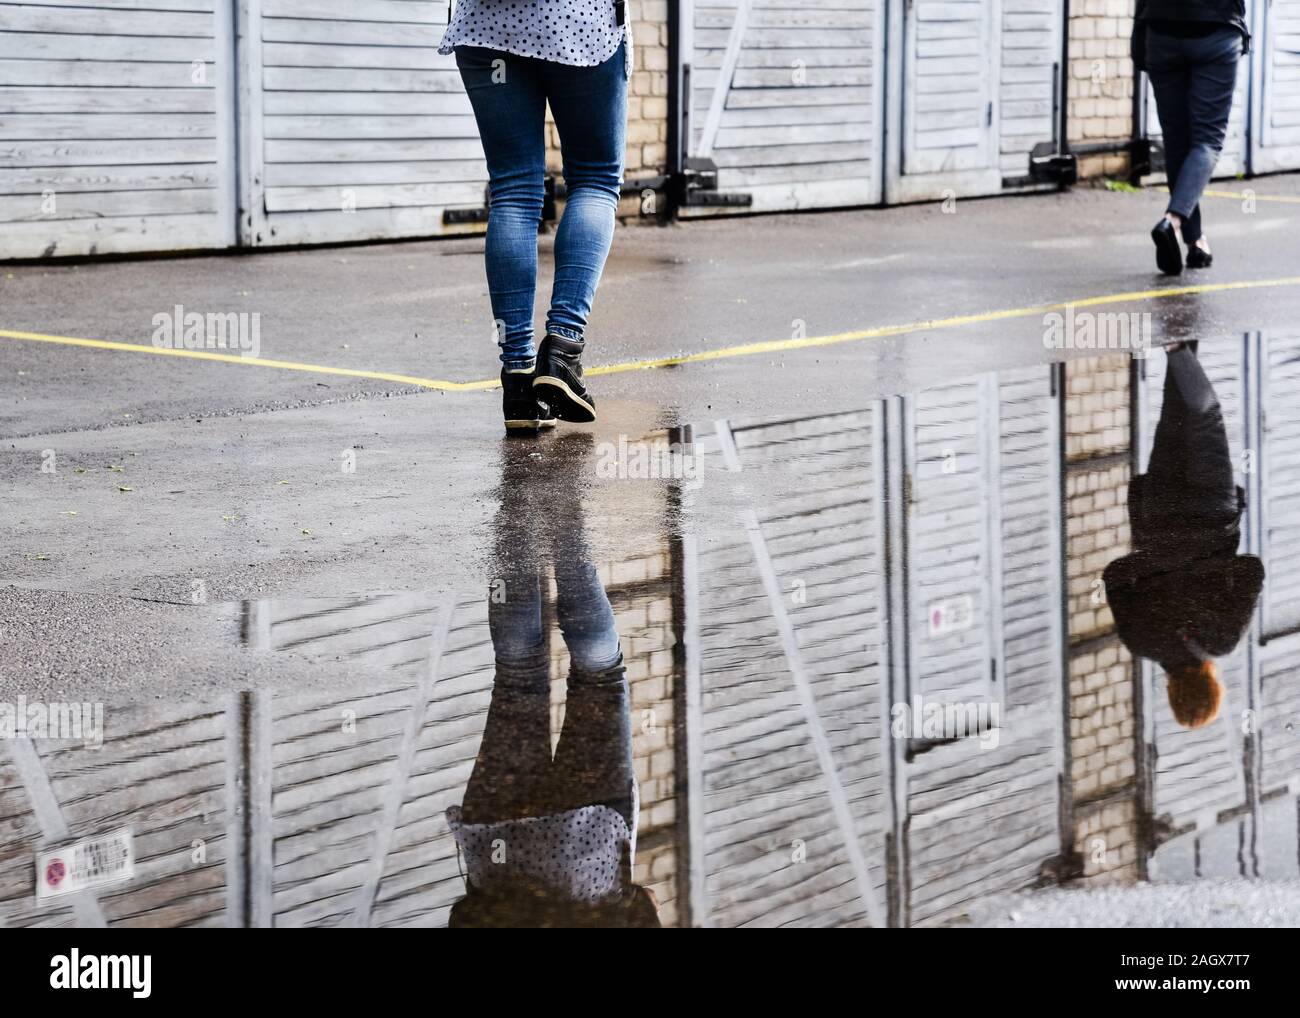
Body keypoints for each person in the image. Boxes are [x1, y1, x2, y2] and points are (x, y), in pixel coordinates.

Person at [445, 435, 661, 927]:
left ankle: (562, 502)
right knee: (517, 675)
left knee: (600, 677)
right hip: (500, 854)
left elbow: (644, 911)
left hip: (587, 862)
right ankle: (519, 486)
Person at [440, 1, 631, 432]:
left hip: (487, 27)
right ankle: (562, 350)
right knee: (595, 179)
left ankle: (519, 384)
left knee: (512, 191)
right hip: (580, 23)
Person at [1103, 341, 1264, 729]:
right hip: (1159, 513)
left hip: (1211, 512)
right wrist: (1159, 560)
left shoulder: (1222, 641)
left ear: (1212, 686)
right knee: (1174, 419)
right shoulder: (1142, 643)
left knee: (1205, 417)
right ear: (1173, 694)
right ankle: (1182, 336)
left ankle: (1177, 344)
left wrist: (1206, 567)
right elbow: (1114, 577)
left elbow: (1252, 571)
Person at [1132, 1, 1250, 275]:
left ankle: (1195, 241)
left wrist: (1139, 41)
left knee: (1176, 143)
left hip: (1160, 33)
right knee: (1207, 141)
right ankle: (1172, 221)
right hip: (1216, 32)